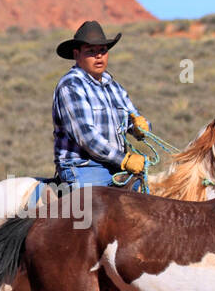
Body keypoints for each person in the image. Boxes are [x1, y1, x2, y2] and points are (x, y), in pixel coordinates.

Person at [51, 20, 151, 191]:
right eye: (91, 51)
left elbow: (133, 118)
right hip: (83, 167)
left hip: (115, 166)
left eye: (102, 51)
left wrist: (140, 127)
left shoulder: (114, 87)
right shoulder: (71, 85)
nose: (99, 56)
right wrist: (124, 160)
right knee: (96, 211)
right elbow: (86, 136)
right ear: (77, 55)